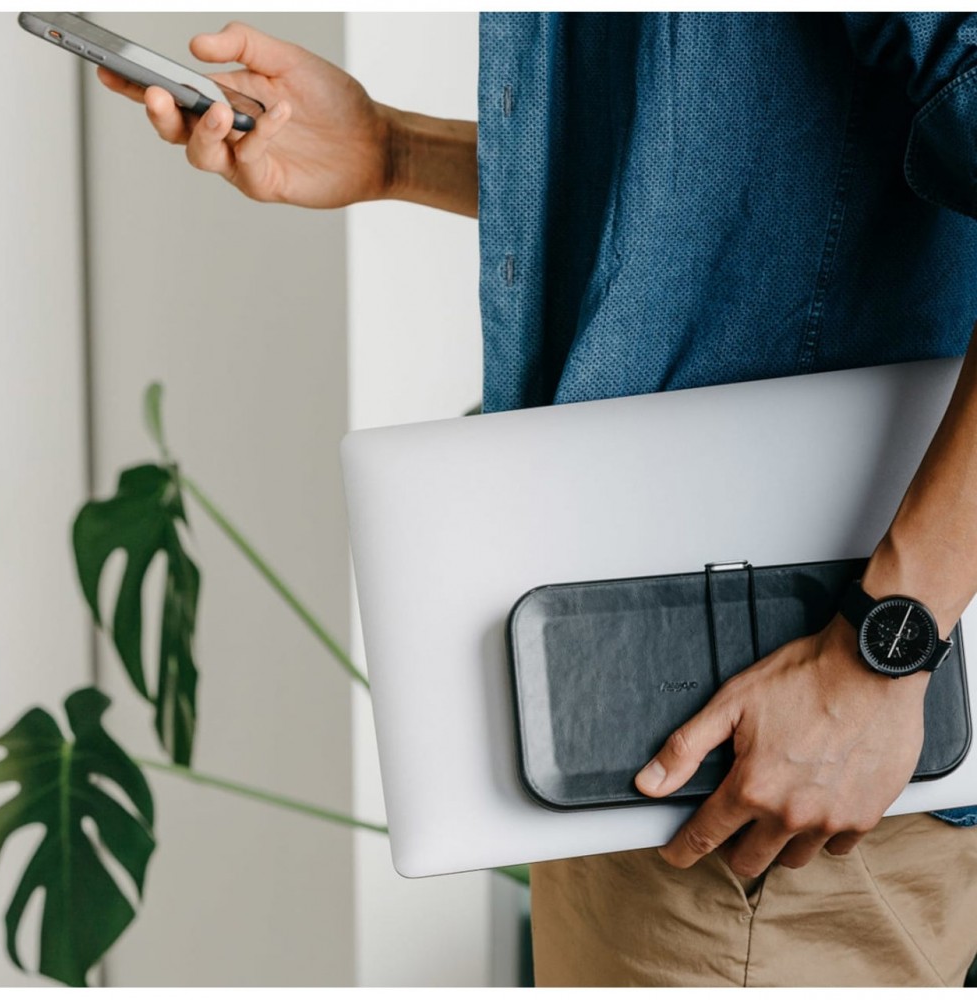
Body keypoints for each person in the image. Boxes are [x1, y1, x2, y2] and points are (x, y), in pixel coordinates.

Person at [100, 13, 977, 987]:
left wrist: (878, 658)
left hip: (777, 775)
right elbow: (727, 181)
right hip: (653, 727)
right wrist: (394, 149)